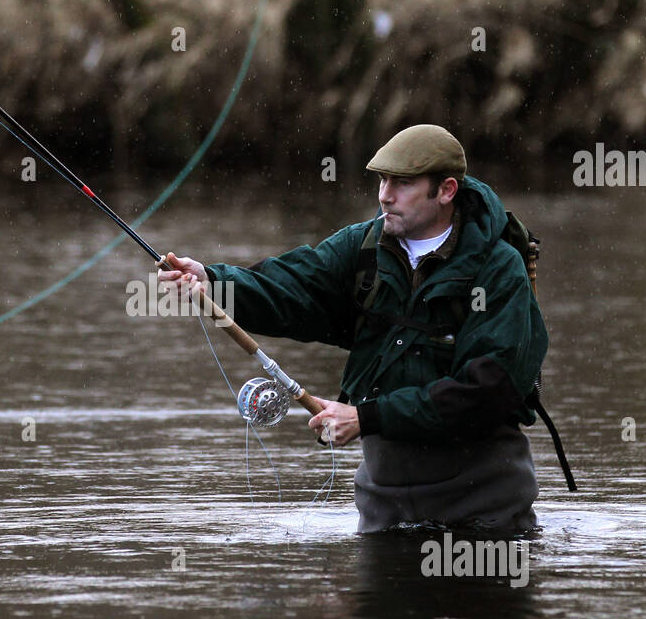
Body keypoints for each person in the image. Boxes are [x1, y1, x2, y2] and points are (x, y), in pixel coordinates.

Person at [160, 124, 548, 533]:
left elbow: (487, 391)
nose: (385, 194)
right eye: (382, 180)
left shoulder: (499, 269)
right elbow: (294, 285)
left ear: (446, 190)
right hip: (385, 512)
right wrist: (214, 282)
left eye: (402, 183)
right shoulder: (363, 247)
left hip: (486, 514)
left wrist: (367, 417)